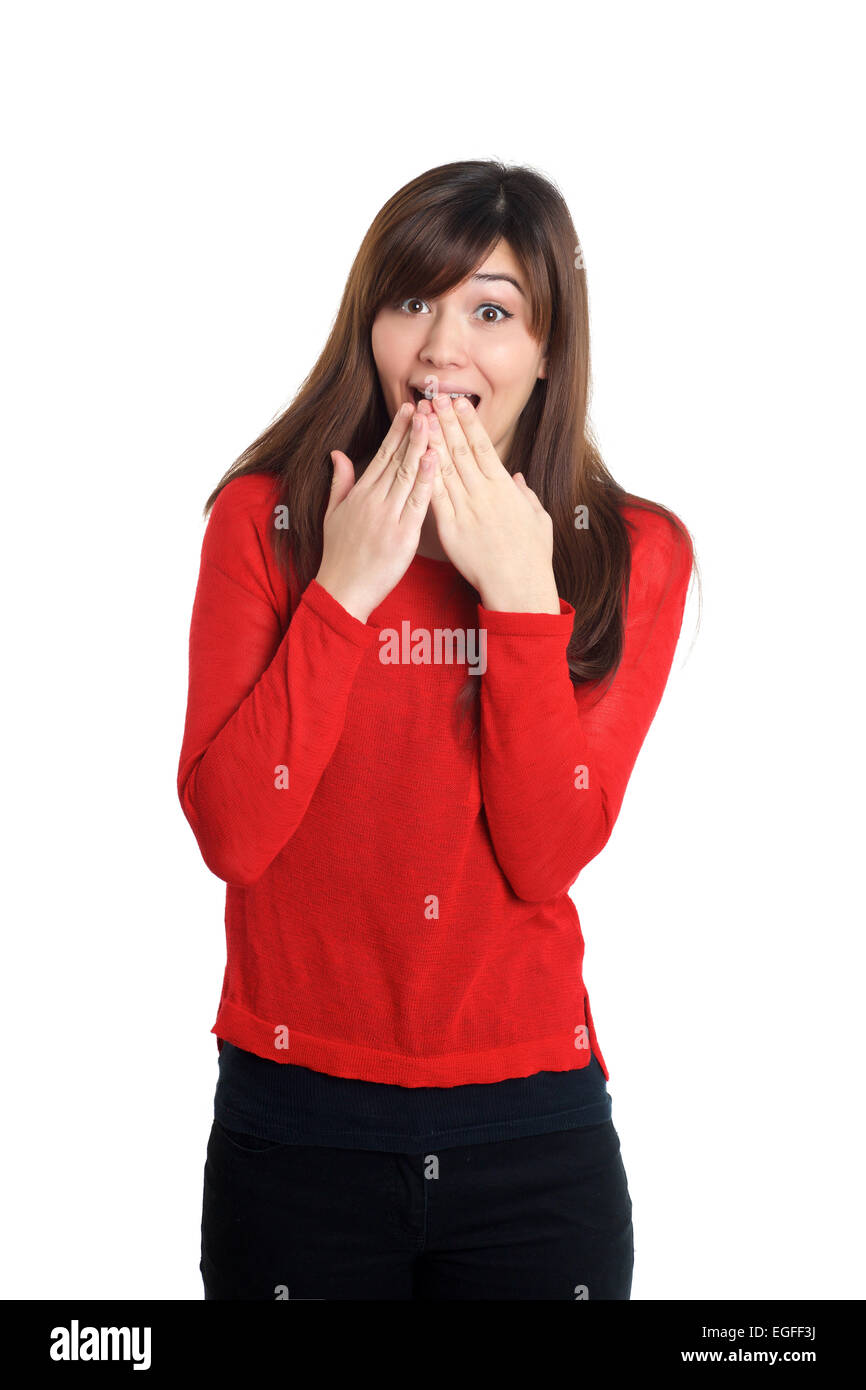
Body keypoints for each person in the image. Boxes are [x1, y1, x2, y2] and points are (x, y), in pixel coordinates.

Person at [177, 159, 698, 1301]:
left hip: (531, 1135)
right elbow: (231, 832)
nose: (440, 347)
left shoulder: (627, 552)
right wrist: (341, 594)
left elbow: (543, 848)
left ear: (550, 348)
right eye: (412, 300)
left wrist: (517, 600)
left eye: (493, 311)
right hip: (295, 1117)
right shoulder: (260, 523)